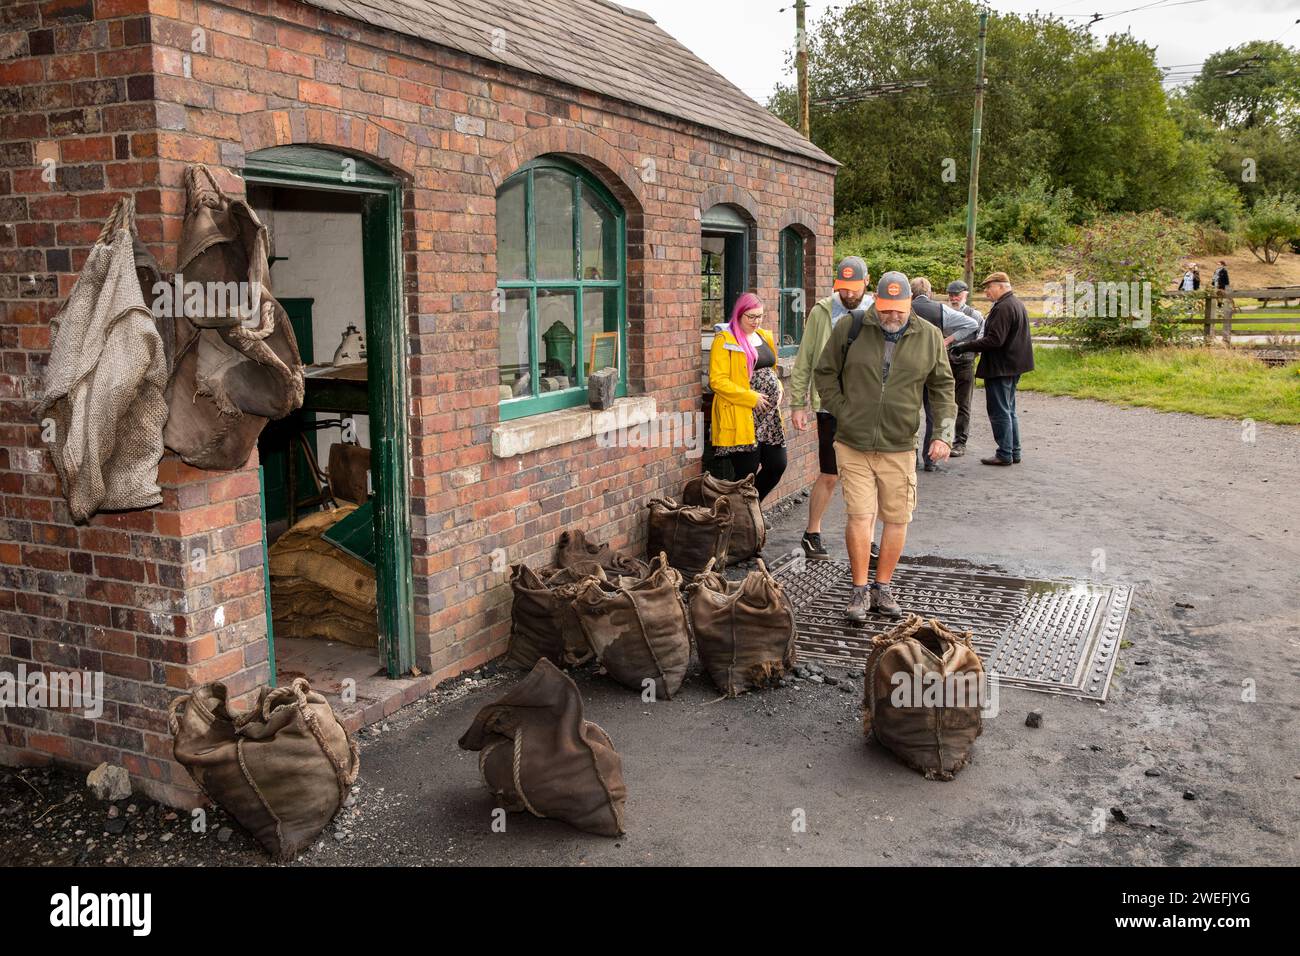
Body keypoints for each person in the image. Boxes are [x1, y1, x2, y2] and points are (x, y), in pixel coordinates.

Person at [814, 272, 956, 622]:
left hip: (899, 444)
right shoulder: (852, 326)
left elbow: (943, 388)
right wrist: (843, 410)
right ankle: (860, 590)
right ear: (876, 301)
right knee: (860, 516)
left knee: (896, 518)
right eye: (887, 309)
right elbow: (825, 373)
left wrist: (944, 434)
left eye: (900, 310)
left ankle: (883, 586)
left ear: (911, 305)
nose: (893, 316)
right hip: (853, 442)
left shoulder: (930, 336)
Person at [789, 256, 874, 561]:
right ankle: (812, 533)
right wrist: (798, 403)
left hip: (869, 407)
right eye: (843, 288)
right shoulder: (822, 311)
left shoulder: (879, 311)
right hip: (829, 405)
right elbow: (805, 359)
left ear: (866, 281)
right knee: (829, 474)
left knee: (870, 474)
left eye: (853, 288)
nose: (848, 294)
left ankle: (869, 538)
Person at [708, 292, 786, 501]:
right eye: (751, 316)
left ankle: (750, 511)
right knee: (746, 474)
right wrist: (751, 398)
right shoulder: (725, 340)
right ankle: (742, 519)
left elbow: (772, 370)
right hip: (741, 414)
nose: (756, 321)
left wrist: (778, 387)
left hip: (768, 417)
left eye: (759, 316)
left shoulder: (764, 336)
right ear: (739, 314)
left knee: (777, 465)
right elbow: (718, 380)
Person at [950, 271, 1034, 467]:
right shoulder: (1016, 304)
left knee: (999, 411)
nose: (986, 291)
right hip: (1013, 365)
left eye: (989, 287)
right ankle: (1014, 451)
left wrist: (965, 346)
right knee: (1009, 409)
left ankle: (1005, 453)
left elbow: (995, 340)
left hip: (1001, 366)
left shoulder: (1003, 307)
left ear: (1001, 286)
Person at [909, 276, 981, 471]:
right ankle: (930, 460)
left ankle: (911, 457)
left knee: (910, 412)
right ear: (930, 293)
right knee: (933, 413)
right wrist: (948, 340)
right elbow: (971, 324)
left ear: (911, 293)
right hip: (933, 366)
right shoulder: (940, 309)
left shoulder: (905, 308)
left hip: (909, 367)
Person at [945, 279, 984, 457]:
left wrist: (971, 353)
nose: (954, 298)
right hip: (945, 363)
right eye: (951, 295)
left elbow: (981, 338)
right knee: (944, 403)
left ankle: (960, 442)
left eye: (957, 295)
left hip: (965, 364)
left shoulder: (975, 315)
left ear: (965, 294)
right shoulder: (944, 313)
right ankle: (944, 439)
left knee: (963, 404)